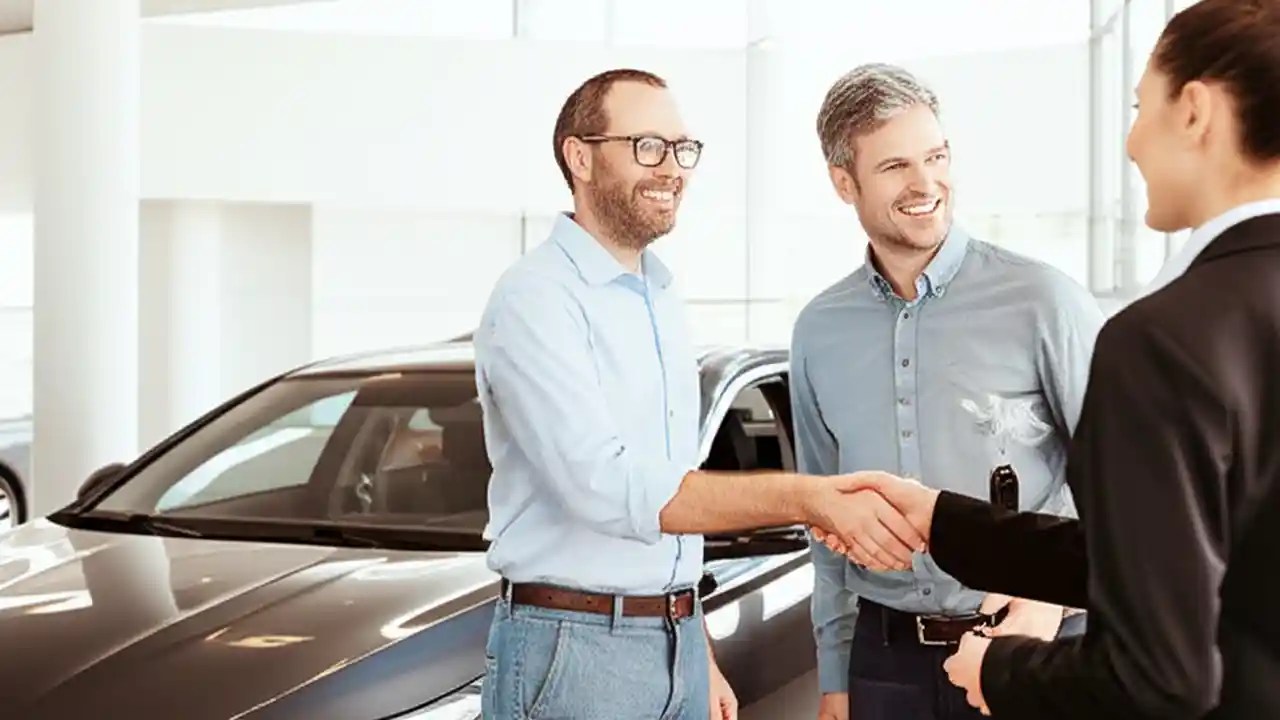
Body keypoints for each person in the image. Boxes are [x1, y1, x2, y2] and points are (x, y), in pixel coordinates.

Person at [824, 1, 1280, 716]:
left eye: (1139, 107)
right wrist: (943, 520)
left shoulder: (1164, 338)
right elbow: (1177, 552)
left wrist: (1001, 670)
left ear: (1193, 111)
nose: (1130, 141)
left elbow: (1160, 672)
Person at [473, 68, 925, 720]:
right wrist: (808, 496)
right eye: (648, 146)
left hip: (673, 641)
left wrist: (694, 645)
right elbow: (607, 486)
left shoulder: (658, 294)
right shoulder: (536, 298)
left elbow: (670, 500)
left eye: (683, 149)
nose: (673, 169)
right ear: (580, 157)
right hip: (574, 650)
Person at [795, 63, 1106, 720]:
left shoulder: (1043, 301)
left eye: (936, 157)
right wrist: (835, 675)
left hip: (1030, 647)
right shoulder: (819, 330)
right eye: (895, 166)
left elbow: (1121, 478)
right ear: (843, 182)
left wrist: (1045, 606)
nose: (925, 183)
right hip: (885, 666)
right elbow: (825, 515)